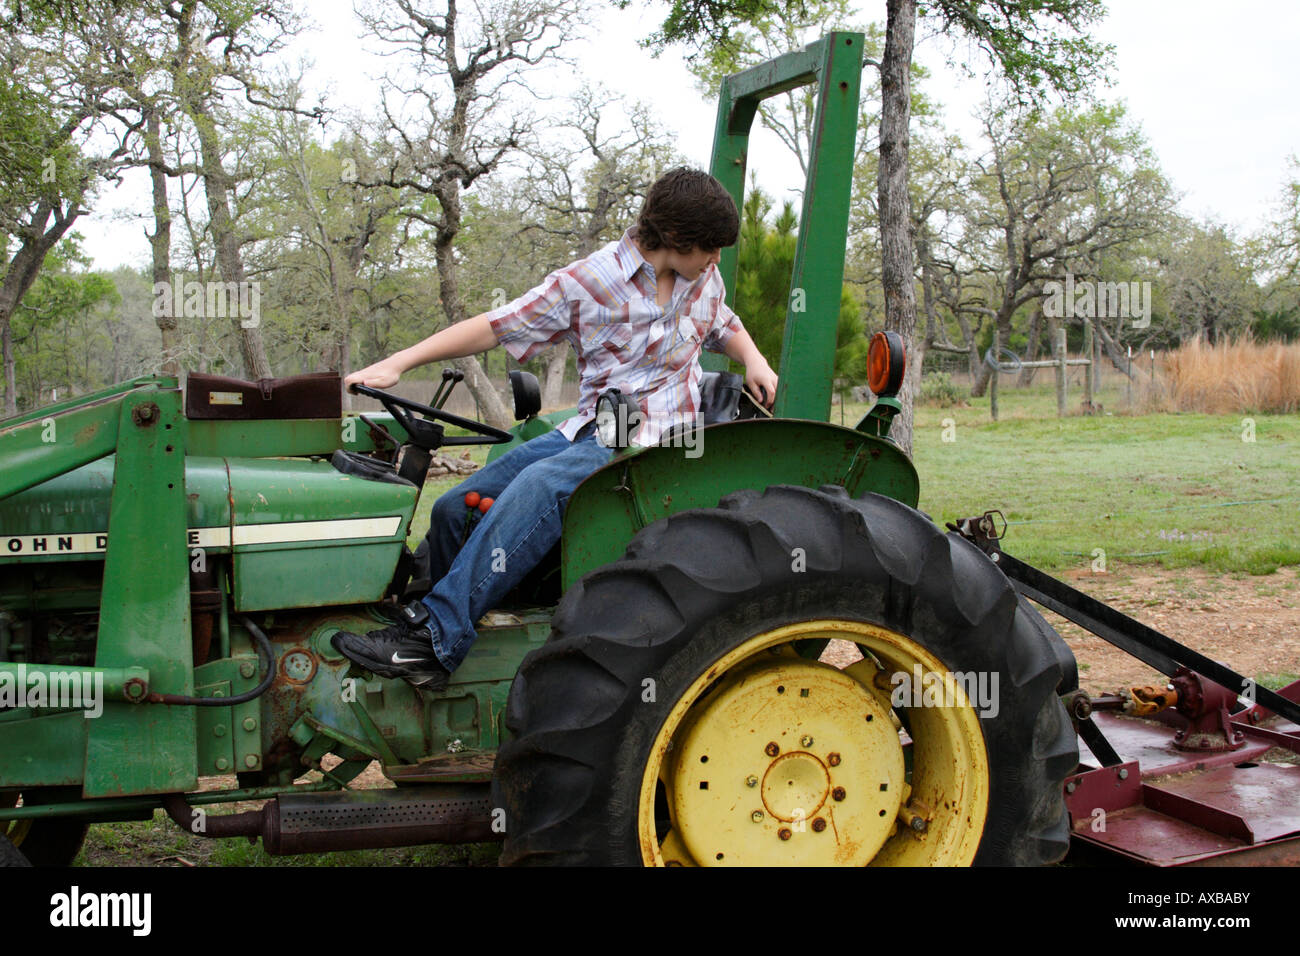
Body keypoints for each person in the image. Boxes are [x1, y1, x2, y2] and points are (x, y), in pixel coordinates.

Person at [332, 167, 778, 690]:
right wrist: (399, 364)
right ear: (676, 238)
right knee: (455, 508)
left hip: (664, 441)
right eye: (710, 248)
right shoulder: (591, 281)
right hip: (598, 427)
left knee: (541, 488)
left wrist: (754, 359)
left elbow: (723, 324)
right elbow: (496, 326)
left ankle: (433, 640)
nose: (716, 260)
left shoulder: (703, 279)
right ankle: (454, 630)